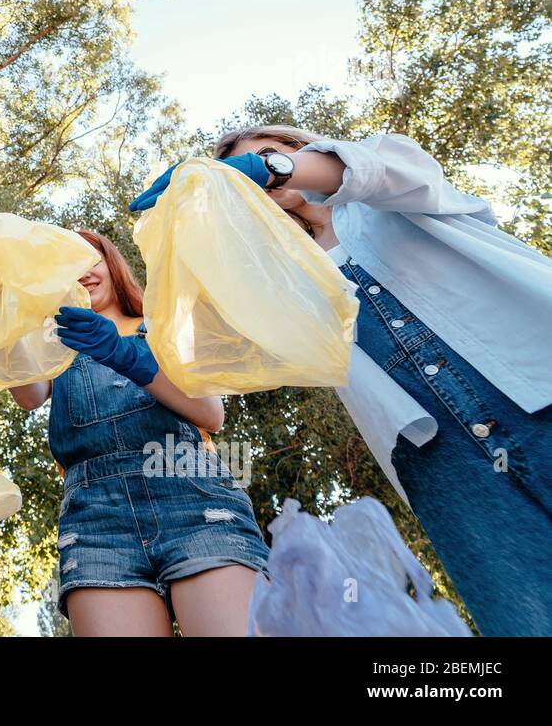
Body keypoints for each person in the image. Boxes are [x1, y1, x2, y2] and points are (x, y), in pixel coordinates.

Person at [133, 126, 552, 635]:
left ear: (301, 147)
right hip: (440, 460)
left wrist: (269, 170)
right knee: (526, 614)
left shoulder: (388, 184)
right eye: (247, 179)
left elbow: (378, 169)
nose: (262, 176)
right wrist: (131, 341)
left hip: (536, 388)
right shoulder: (287, 278)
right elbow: (215, 353)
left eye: (271, 155)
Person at [0, 230, 270, 636]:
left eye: (92, 259)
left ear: (112, 263)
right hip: (96, 518)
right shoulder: (55, 343)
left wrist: (128, 356)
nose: (84, 272)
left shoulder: (158, 325)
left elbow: (211, 414)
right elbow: (29, 394)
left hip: (194, 498)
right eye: (67, 267)